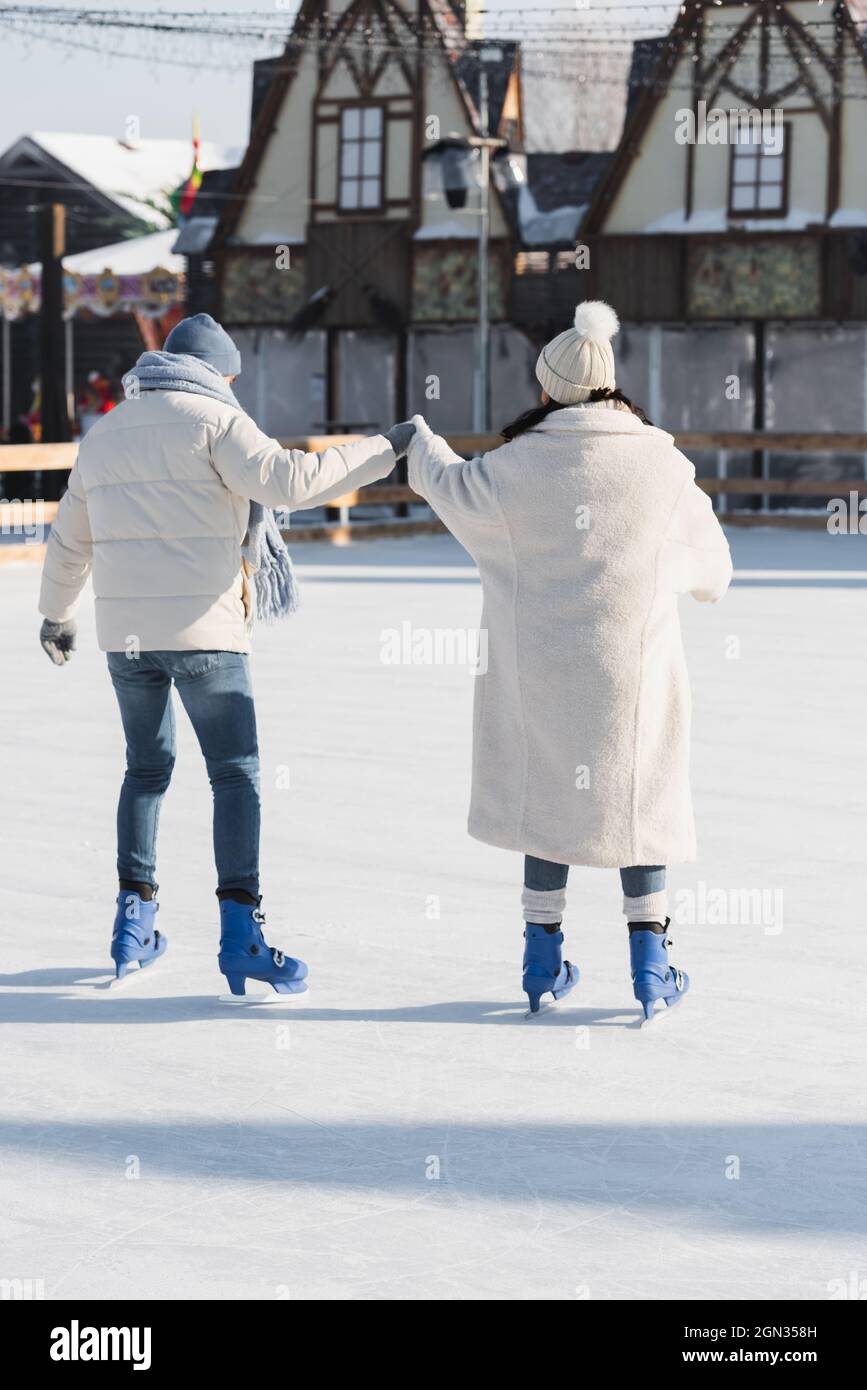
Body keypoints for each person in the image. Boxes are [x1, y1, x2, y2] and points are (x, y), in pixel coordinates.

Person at [37, 313, 414, 997]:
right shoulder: (215, 419)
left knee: (145, 770)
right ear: (215, 372)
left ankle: (132, 922)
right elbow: (291, 482)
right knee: (234, 776)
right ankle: (241, 937)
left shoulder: (107, 432)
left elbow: (69, 538)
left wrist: (55, 615)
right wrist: (385, 448)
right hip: (204, 631)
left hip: (126, 639)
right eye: (231, 375)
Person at [406, 301, 732, 1022]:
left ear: (547, 388)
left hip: (536, 670)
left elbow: (450, 488)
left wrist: (420, 442)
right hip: (632, 674)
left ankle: (540, 959)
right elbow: (714, 570)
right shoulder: (662, 466)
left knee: (545, 796)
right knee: (637, 798)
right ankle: (650, 967)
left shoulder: (514, 465)